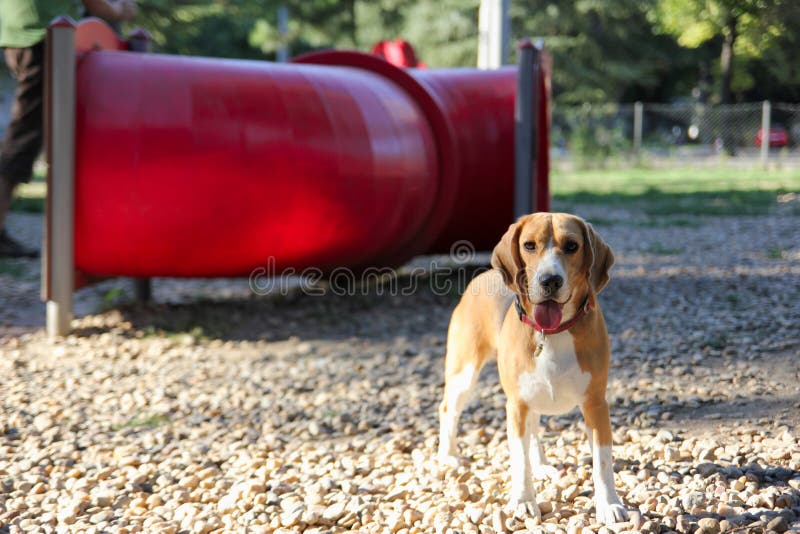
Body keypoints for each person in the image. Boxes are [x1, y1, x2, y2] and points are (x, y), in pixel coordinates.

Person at [0, 0, 136, 258]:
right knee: (23, 138)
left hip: (23, 35)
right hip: (45, 38)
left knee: (37, 134)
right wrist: (121, 10)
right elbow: (99, 5)